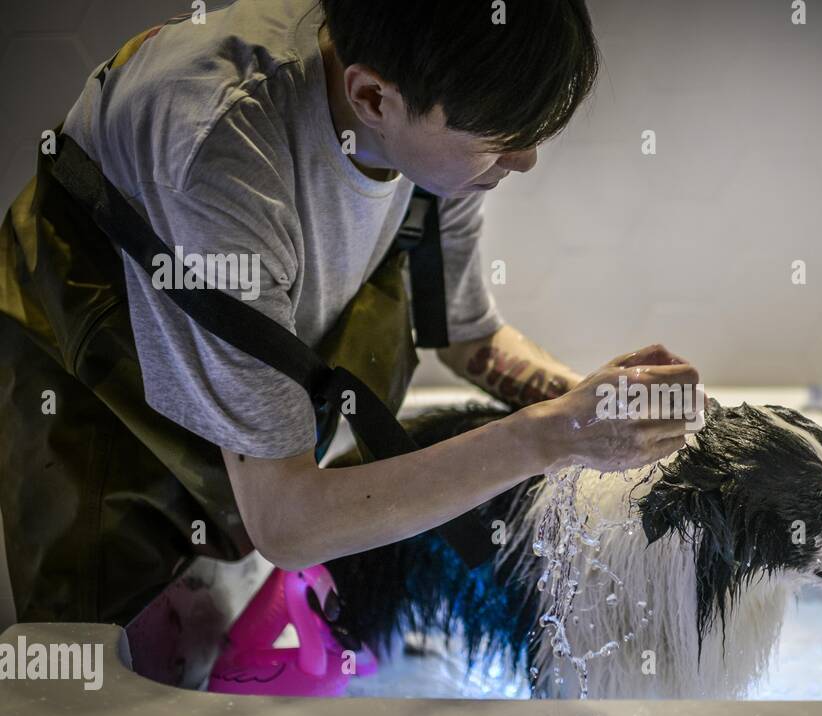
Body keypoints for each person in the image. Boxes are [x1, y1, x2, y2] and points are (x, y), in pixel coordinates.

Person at [0, 0, 699, 629]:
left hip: (258, 329)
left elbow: (463, 334)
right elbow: (286, 520)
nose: (525, 160)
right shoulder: (218, 152)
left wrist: (604, 413)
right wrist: (552, 437)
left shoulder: (436, 89)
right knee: (110, 669)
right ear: (373, 97)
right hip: (99, 349)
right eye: (499, 139)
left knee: (246, 582)